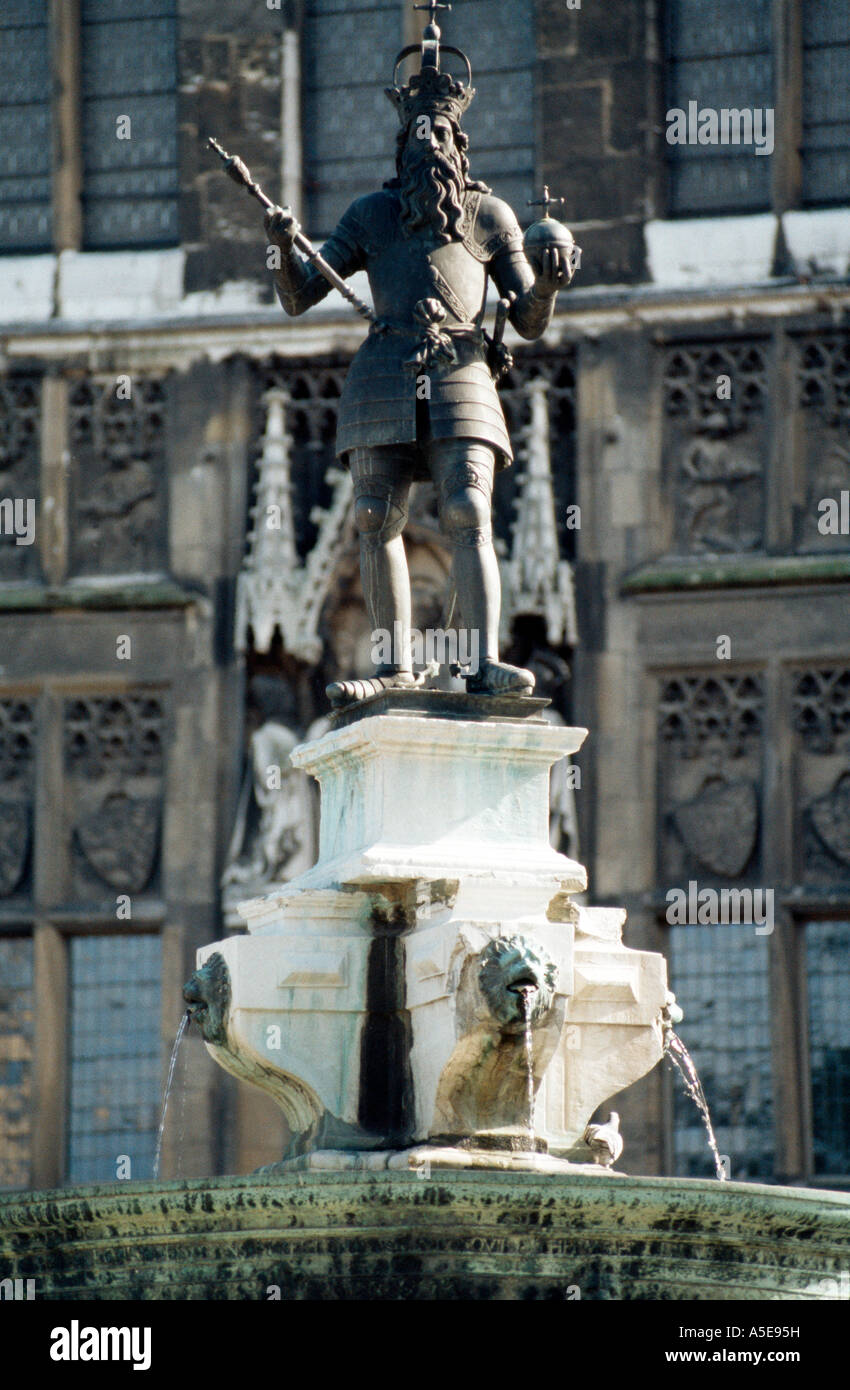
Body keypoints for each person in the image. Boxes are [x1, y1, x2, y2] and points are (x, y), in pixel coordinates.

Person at [264, 15, 574, 704]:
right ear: (402, 143)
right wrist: (284, 247)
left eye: (439, 129)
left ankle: (483, 662)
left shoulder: (490, 217)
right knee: (376, 517)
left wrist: (549, 282)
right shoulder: (371, 215)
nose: (428, 138)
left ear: (457, 143)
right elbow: (300, 297)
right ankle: (394, 666)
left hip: (463, 372)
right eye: (417, 131)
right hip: (383, 375)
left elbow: (525, 320)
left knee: (468, 509)